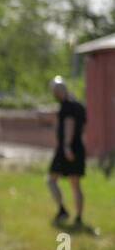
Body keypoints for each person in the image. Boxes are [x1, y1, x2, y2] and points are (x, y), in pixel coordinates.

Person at [47, 77, 87, 228]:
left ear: (58, 91)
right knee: (75, 185)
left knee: (51, 180)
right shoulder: (79, 106)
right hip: (78, 147)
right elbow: (83, 128)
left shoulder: (66, 106)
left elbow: (69, 124)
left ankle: (62, 210)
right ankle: (79, 217)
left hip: (67, 149)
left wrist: (67, 146)